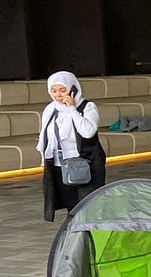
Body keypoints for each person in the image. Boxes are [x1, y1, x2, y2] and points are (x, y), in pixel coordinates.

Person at [35, 70, 106, 221]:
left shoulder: (87, 107)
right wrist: (43, 157)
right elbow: (45, 135)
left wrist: (72, 109)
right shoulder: (50, 109)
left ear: (73, 88)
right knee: (71, 205)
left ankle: (88, 234)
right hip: (60, 163)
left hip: (85, 161)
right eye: (53, 91)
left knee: (87, 204)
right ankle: (74, 234)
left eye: (62, 90)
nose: (58, 95)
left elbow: (88, 132)